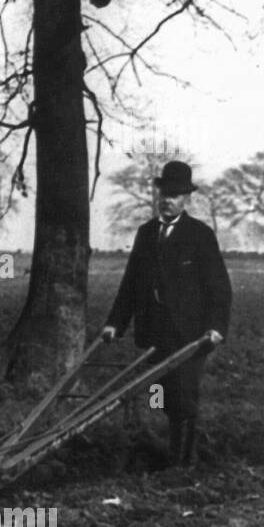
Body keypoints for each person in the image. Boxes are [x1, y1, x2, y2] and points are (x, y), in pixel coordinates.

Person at [102, 160, 231, 468]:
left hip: (189, 335)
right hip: (153, 333)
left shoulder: (199, 235)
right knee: (158, 393)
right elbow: (130, 283)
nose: (167, 200)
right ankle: (165, 447)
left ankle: (183, 463)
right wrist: (114, 324)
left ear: (186, 198)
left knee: (183, 396)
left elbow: (220, 288)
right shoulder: (146, 234)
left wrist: (215, 327)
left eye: (174, 195)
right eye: (163, 194)